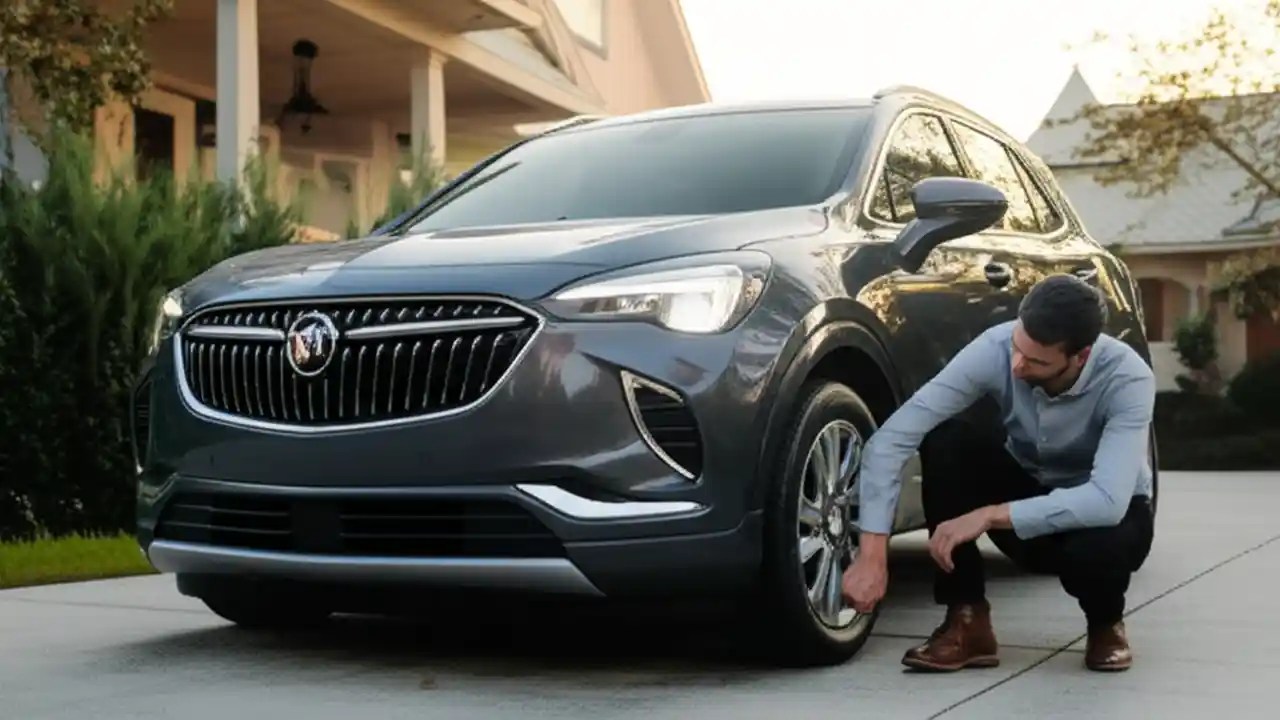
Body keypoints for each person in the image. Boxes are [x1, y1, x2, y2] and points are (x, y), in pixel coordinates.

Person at [841, 273, 1156, 673]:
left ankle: (1106, 623)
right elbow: (891, 440)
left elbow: (1107, 502)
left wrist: (988, 515)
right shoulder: (996, 346)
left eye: (1037, 361)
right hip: (1026, 492)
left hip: (1103, 521)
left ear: (1080, 356)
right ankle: (967, 620)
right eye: (1017, 348)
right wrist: (872, 556)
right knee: (947, 440)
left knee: (1098, 547)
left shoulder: (1129, 378)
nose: (1017, 364)